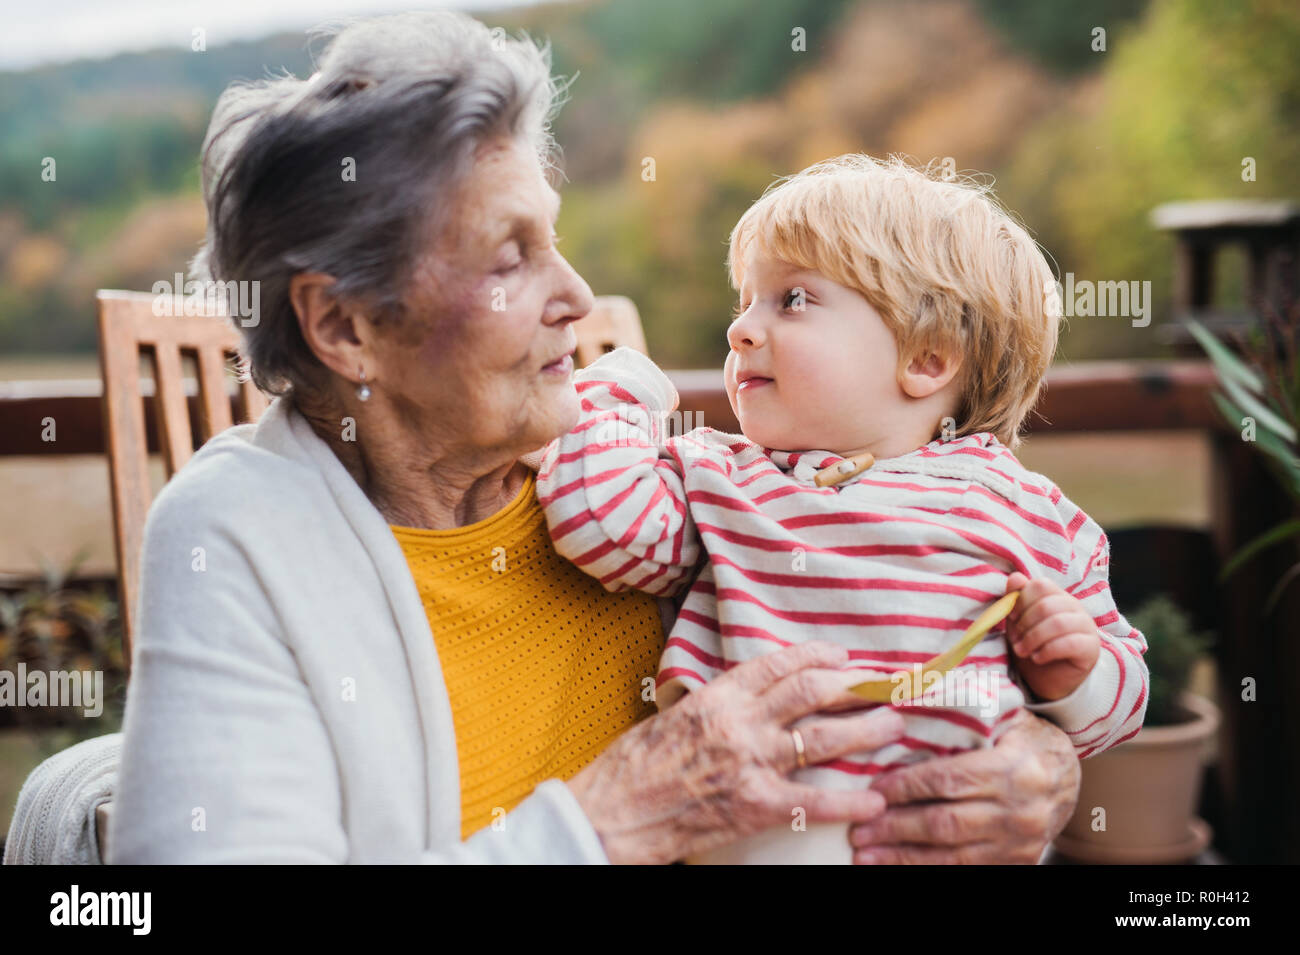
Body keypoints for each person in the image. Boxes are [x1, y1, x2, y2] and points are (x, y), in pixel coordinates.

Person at [109, 12, 1082, 865]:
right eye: (510, 258)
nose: (575, 298)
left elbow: (891, 606)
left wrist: (1035, 758)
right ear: (346, 327)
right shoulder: (238, 533)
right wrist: (608, 823)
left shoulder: (648, 471)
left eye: (556, 240)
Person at [538, 154, 1148, 863]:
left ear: (926, 358)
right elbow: (598, 521)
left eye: (791, 300)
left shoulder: (1028, 508)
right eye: (746, 301)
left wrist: (1076, 675)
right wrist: (618, 390)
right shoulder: (720, 475)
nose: (740, 330)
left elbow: (1122, 704)